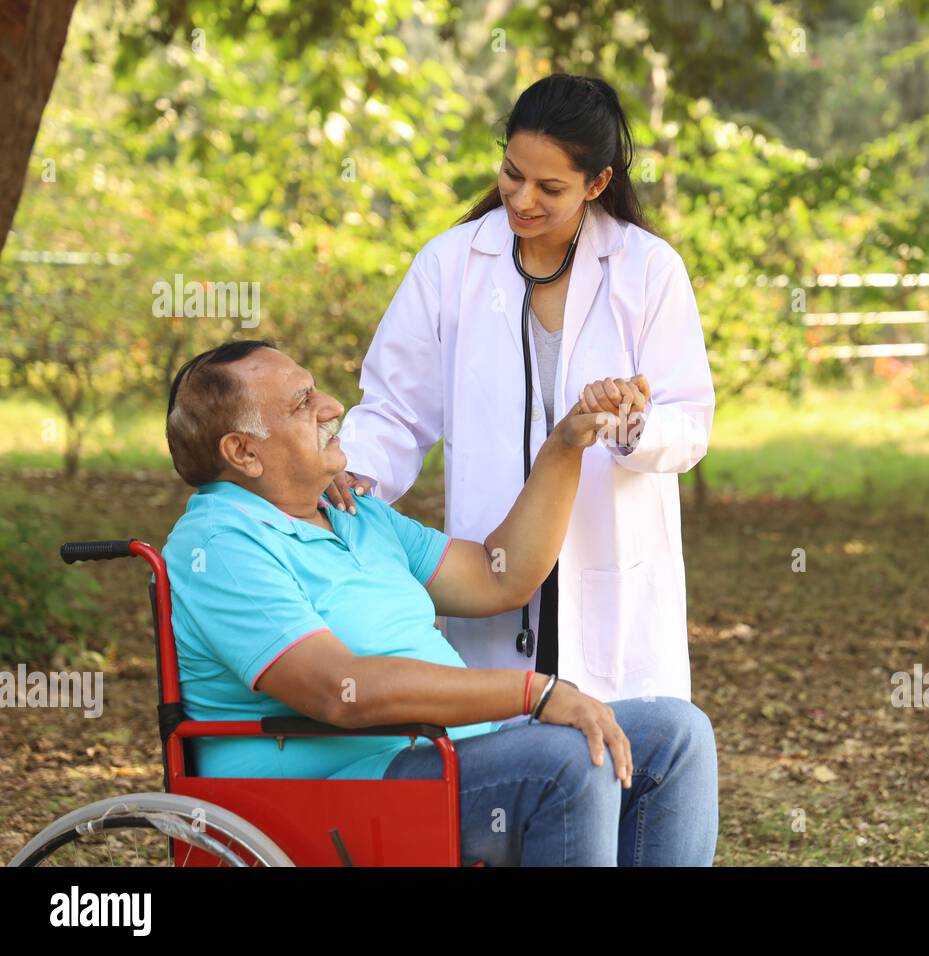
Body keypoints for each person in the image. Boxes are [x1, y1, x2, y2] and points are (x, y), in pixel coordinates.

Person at [161, 340, 718, 866]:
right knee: (567, 762)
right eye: (302, 403)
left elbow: (498, 577)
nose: (332, 407)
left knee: (674, 736)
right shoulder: (220, 544)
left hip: (443, 759)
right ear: (243, 452)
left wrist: (565, 445)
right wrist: (534, 693)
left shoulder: (354, 514)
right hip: (323, 797)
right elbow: (338, 690)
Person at [328, 73, 714, 702]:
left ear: (597, 184)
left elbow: (689, 422)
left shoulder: (648, 270)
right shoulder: (450, 264)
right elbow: (394, 409)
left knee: (625, 740)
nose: (523, 199)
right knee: (506, 739)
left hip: (607, 561)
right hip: (494, 561)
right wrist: (353, 472)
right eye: (513, 174)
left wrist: (633, 423)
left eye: (550, 188)